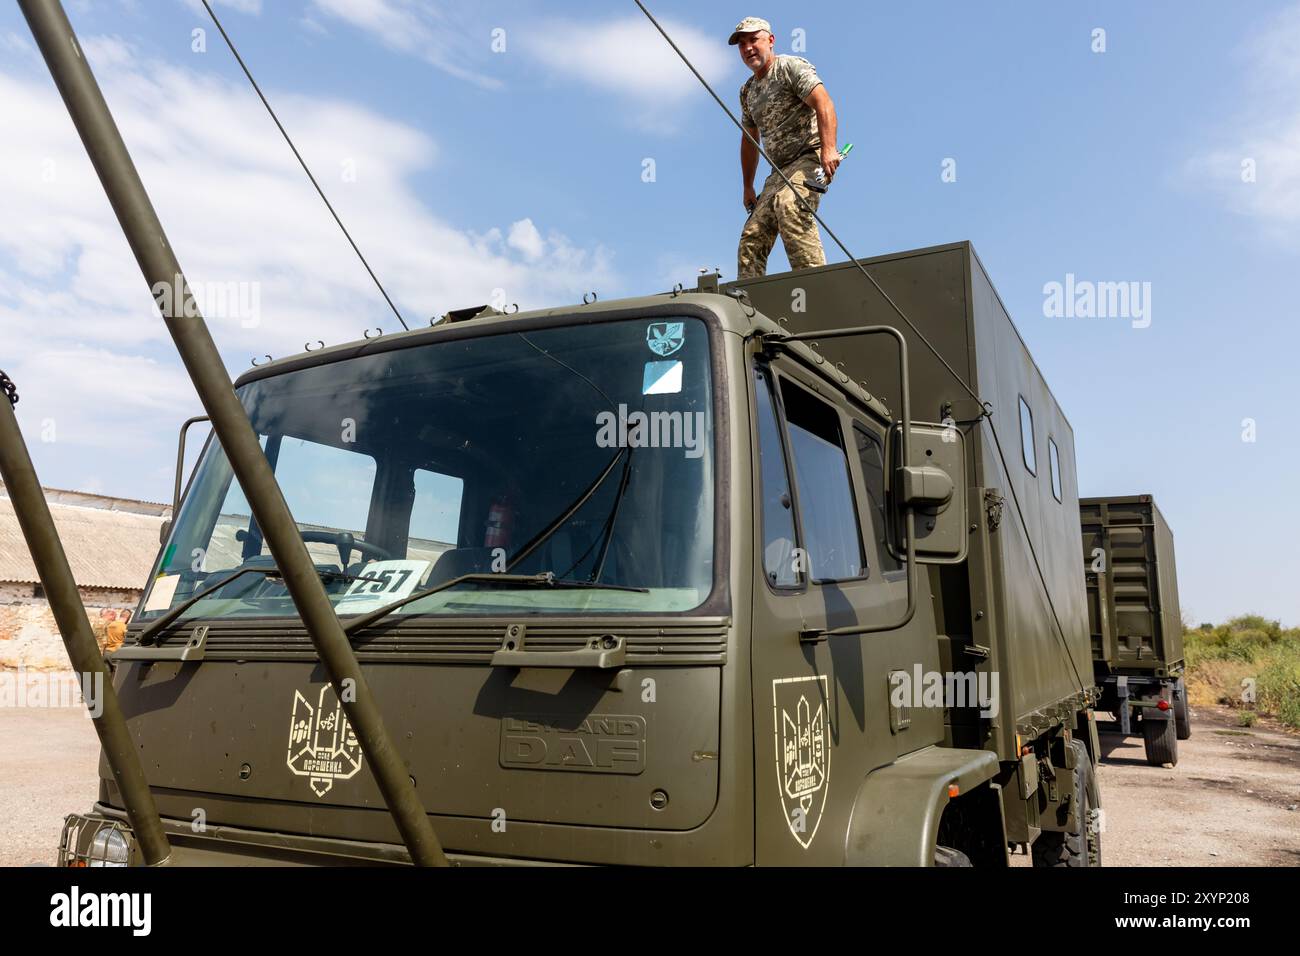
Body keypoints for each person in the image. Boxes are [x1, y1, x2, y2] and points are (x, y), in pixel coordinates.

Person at [732, 16, 840, 278]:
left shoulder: (789, 68)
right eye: (742, 44)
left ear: (770, 40)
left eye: (753, 40)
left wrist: (828, 149)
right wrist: (748, 185)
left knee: (790, 206)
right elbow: (750, 139)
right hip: (779, 171)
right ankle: (749, 305)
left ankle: (815, 286)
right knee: (752, 237)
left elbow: (824, 104)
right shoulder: (748, 91)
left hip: (808, 157)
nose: (748, 48)